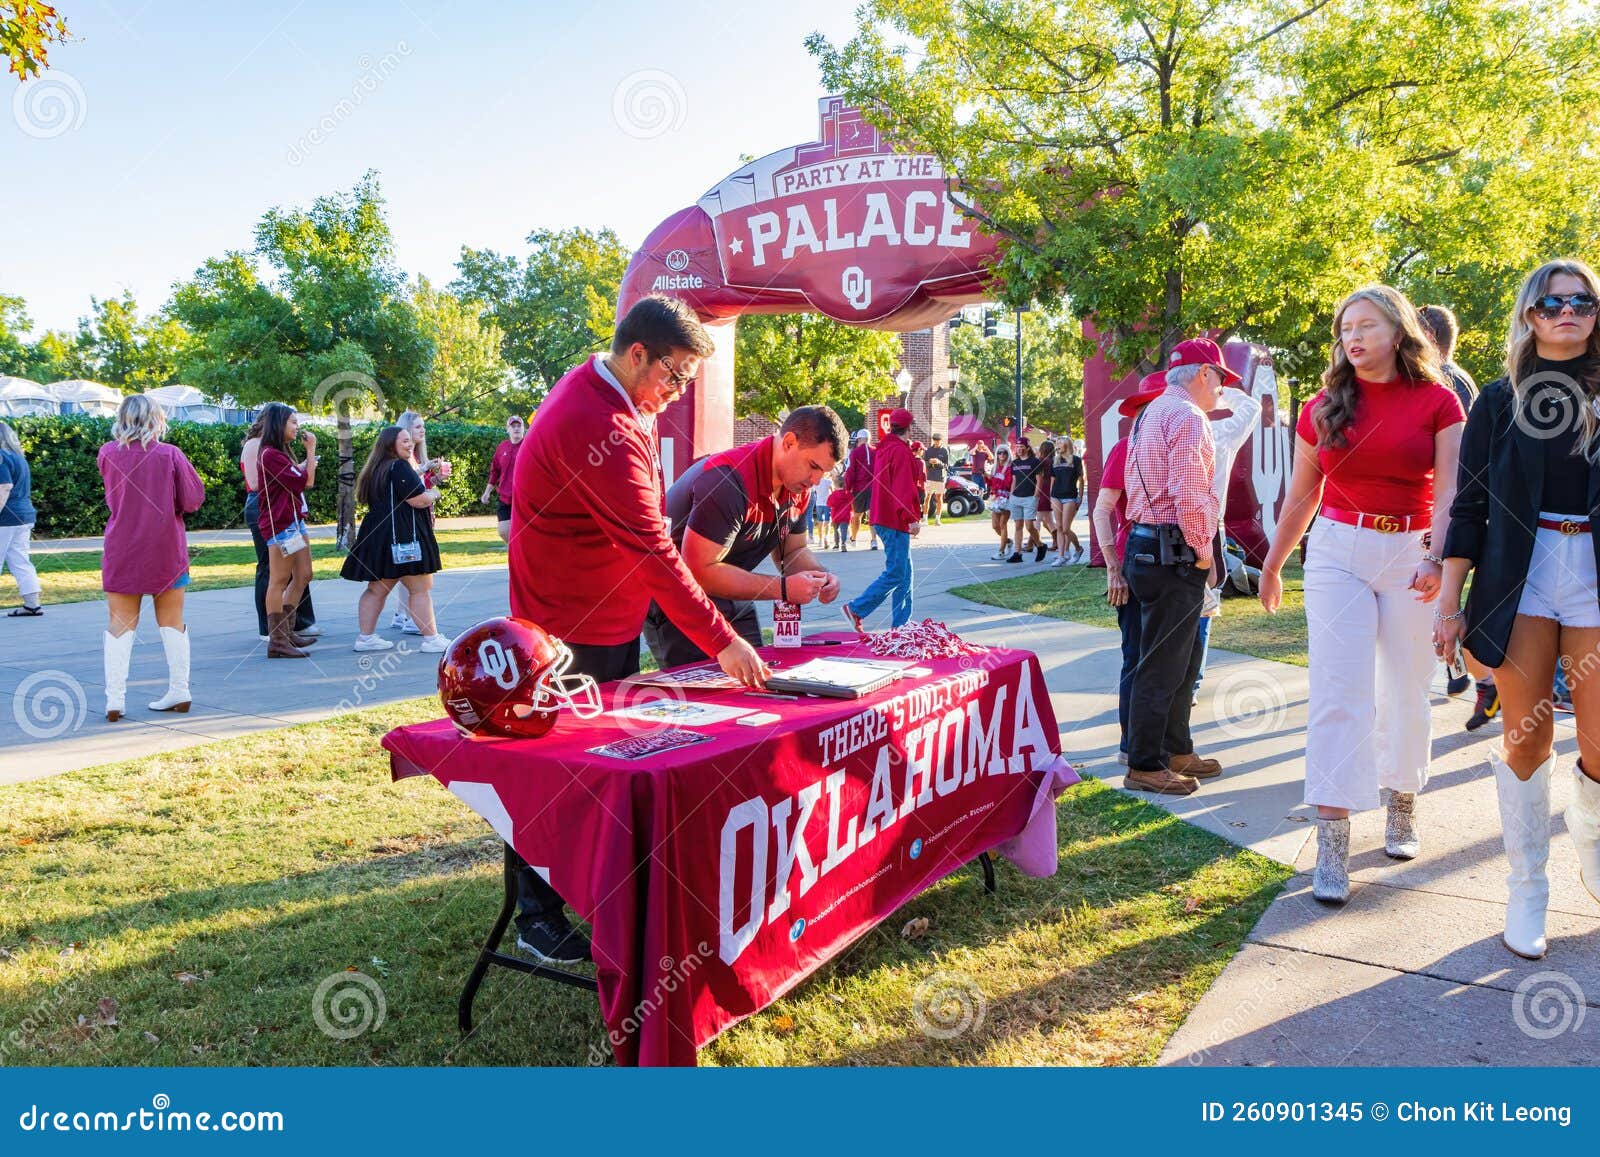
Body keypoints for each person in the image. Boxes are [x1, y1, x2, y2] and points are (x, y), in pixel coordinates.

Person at [507, 293, 767, 962]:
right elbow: (656, 551)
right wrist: (725, 639)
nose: (677, 393)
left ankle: (596, 886)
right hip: (566, 625)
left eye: (685, 381)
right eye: (673, 375)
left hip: (604, 619)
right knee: (555, 769)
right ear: (637, 353)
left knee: (604, 763)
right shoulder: (601, 423)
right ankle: (534, 913)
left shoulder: (622, 396)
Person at [1260, 286, 1463, 904]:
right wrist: (1272, 564)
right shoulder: (1323, 407)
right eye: (1346, 327)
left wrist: (1440, 561)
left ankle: (1401, 800)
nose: (1354, 336)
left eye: (1367, 325)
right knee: (1337, 692)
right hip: (1337, 552)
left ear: (1399, 332)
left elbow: (1454, 492)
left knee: (1406, 689)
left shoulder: (1440, 402)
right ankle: (1332, 841)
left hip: (1412, 555)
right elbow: (1301, 497)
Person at [1437, 258, 1600, 959]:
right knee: (1527, 739)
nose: (1568, 311)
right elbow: (1468, 505)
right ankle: (1527, 885)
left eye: (1582, 301)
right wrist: (1448, 599)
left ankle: (1591, 840)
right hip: (1522, 578)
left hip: (1594, 570)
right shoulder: (1499, 403)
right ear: (1530, 316)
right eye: (1551, 302)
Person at [644, 406, 847, 668]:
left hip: (731, 593)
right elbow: (698, 572)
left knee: (757, 683)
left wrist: (821, 576)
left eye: (825, 472)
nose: (816, 480)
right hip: (680, 600)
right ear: (788, 442)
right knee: (704, 699)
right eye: (813, 466)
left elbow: (793, 551)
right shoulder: (727, 481)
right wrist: (783, 588)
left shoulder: (797, 488)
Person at [1123, 339, 1233, 796]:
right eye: (1222, 379)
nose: (1222, 390)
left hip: (1147, 545)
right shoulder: (1189, 418)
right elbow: (1189, 493)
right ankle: (1147, 764)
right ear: (1204, 374)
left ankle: (1175, 748)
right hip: (1174, 552)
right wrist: (1203, 550)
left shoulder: (1150, 413)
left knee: (1179, 661)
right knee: (1166, 665)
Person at [98, 395, 206, 719]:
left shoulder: (107, 453)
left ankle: (115, 699)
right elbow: (192, 499)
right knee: (172, 621)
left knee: (119, 624)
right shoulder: (170, 454)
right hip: (166, 548)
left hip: (122, 548)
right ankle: (180, 689)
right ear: (156, 420)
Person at [1418, 303, 1497, 715]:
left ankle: (1481, 679)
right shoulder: (1465, 380)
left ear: (1427, 338)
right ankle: (1476, 678)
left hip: (1445, 509)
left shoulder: (1440, 383)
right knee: (1449, 602)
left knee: (1443, 602)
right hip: (1466, 507)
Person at [1092, 374, 1165, 765]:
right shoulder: (1126, 449)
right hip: (1132, 563)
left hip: (1172, 567)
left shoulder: (1177, 448)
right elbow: (1102, 510)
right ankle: (1131, 746)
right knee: (1136, 654)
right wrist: (1112, 569)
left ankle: (1162, 745)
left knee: (1164, 658)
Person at [342, 425, 450, 653]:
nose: (410, 444)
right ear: (391, 444)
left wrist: (422, 476)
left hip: (378, 538)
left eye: (410, 440)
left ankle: (366, 637)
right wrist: (435, 493)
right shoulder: (399, 466)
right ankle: (431, 639)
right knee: (420, 588)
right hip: (403, 537)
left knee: (376, 589)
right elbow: (418, 499)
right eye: (404, 441)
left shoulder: (377, 468)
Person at [1191, 379, 1264, 699]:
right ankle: (1191, 681)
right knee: (1204, 607)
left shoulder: (1159, 432)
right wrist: (1220, 394)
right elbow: (1251, 407)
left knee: (1181, 609)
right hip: (1208, 526)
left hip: (1170, 528)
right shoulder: (1219, 433)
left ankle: (1181, 682)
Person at [841, 407, 922, 631]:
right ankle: (857, 608)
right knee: (897, 572)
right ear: (909, 427)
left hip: (882, 515)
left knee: (905, 573)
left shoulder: (883, 449)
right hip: (894, 518)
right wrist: (911, 517)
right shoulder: (900, 451)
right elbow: (903, 487)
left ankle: (901, 625)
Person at [242, 416, 318, 643]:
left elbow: (298, 479)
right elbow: (307, 482)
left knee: (303, 574)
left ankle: (286, 630)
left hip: (294, 522)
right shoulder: (269, 454)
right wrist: (311, 450)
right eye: (292, 422)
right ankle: (277, 639)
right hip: (282, 525)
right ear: (278, 424)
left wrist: (301, 467)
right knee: (278, 579)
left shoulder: (278, 453)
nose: (297, 427)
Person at [390, 409, 451, 633]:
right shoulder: (404, 459)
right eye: (417, 426)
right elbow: (408, 488)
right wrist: (425, 472)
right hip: (411, 518)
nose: (422, 430)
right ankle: (411, 618)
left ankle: (401, 614)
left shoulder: (415, 457)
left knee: (408, 566)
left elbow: (422, 486)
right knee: (414, 568)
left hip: (421, 515)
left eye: (423, 426)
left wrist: (435, 478)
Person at [0, 421, 42, 617]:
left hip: (6, 517)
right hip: (24, 514)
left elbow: (4, 486)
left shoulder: (1, 457)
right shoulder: (19, 458)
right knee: (20, 560)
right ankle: (32, 604)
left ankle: (32, 604)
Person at [480, 414, 524, 544]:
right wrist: (487, 492)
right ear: (507, 429)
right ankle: (516, 551)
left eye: (519, 426)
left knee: (523, 529)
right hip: (505, 496)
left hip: (522, 496)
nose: (516, 429)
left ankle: (521, 555)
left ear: (523, 428)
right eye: (513, 426)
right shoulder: (502, 447)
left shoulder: (528, 445)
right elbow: (495, 471)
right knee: (504, 530)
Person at [1050, 436, 1087, 565]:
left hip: (1070, 496)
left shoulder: (1076, 460)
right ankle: (1061, 556)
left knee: (1066, 528)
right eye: (1057, 443)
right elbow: (1052, 480)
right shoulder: (1055, 460)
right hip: (1056, 496)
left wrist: (1080, 497)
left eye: (1059, 443)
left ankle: (1078, 548)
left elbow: (1081, 480)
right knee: (1059, 527)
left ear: (1066, 445)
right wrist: (1050, 495)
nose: (1057, 445)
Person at [1005, 438, 1042, 563]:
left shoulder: (1035, 462)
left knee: (1029, 526)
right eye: (1017, 446)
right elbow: (1014, 480)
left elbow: (1039, 481)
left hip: (1030, 497)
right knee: (1018, 526)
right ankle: (1018, 553)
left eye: (1021, 446)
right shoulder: (1015, 463)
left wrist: (1035, 496)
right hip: (1016, 497)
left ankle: (1040, 546)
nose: (1019, 449)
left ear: (1027, 448)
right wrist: (1011, 495)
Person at [843, 428, 879, 550]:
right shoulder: (876, 451)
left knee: (857, 515)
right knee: (871, 514)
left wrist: (848, 487)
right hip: (874, 487)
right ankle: (874, 541)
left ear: (859, 439)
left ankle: (853, 539)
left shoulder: (855, 452)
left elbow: (851, 471)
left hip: (859, 488)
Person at [988, 445, 1013, 559]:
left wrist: (998, 481)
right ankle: (1007, 541)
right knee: (995, 526)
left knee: (1003, 524)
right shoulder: (995, 467)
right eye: (999, 453)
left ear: (1008, 454)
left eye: (1004, 453)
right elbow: (991, 483)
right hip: (995, 498)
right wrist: (986, 476)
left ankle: (1001, 551)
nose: (1002, 455)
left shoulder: (1010, 468)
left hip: (1006, 498)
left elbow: (1008, 484)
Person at [923, 434, 950, 525]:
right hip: (930, 476)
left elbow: (947, 466)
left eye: (938, 440)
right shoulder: (928, 450)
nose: (936, 441)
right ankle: (925, 519)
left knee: (939, 497)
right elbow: (925, 463)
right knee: (927, 498)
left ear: (941, 440)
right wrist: (929, 462)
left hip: (940, 477)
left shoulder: (945, 450)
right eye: (935, 440)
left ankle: (937, 519)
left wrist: (939, 462)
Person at [827, 468, 853, 551]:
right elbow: (852, 502)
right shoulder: (847, 494)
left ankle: (836, 544)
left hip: (835, 515)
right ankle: (843, 543)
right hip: (845, 515)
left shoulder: (834, 495)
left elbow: (829, 504)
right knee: (843, 530)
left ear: (835, 485)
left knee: (836, 530)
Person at [810, 468, 834, 546]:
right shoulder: (828, 482)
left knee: (820, 521)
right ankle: (826, 537)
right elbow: (833, 491)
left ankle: (820, 540)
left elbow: (812, 490)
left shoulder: (816, 482)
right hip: (827, 504)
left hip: (818, 504)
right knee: (827, 521)